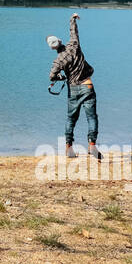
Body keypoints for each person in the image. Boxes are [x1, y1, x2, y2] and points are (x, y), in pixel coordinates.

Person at [47, 12, 101, 160]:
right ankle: (92, 145)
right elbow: (74, 32)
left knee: (71, 118)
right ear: (61, 41)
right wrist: (72, 19)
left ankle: (69, 148)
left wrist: (60, 77)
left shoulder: (58, 60)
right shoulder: (74, 45)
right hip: (87, 85)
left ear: (53, 48)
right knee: (91, 117)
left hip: (73, 89)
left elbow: (51, 75)